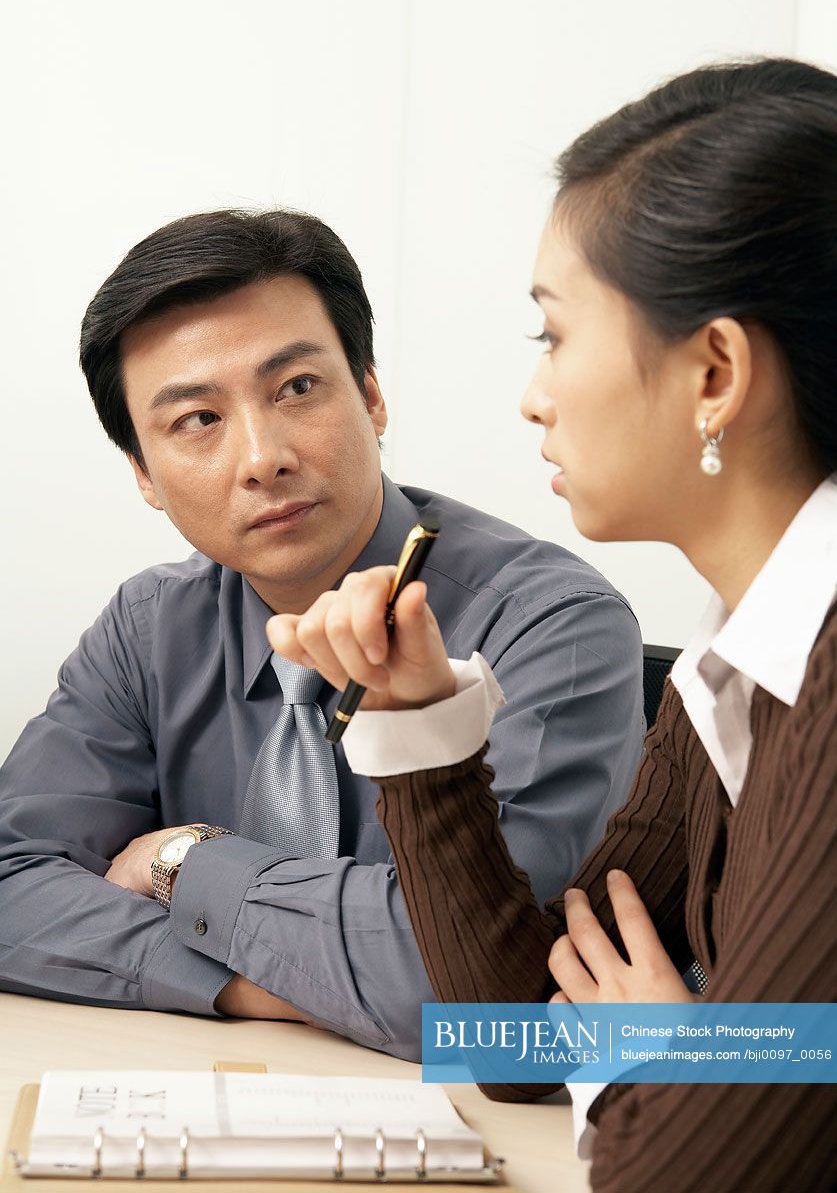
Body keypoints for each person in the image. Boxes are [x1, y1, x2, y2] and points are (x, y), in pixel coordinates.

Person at [266, 58, 837, 1188]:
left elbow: (686, 1172)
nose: (534, 395)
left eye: (553, 336)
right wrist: (418, 717)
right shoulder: (739, 669)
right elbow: (517, 1038)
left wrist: (667, 1054)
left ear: (715, 371)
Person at [0, 208, 644, 1061]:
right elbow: (11, 885)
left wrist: (187, 863)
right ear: (144, 475)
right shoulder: (147, 629)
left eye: (296, 387)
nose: (262, 456)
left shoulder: (551, 622)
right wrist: (265, 986)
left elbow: (476, 988)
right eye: (197, 419)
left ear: (371, 395)